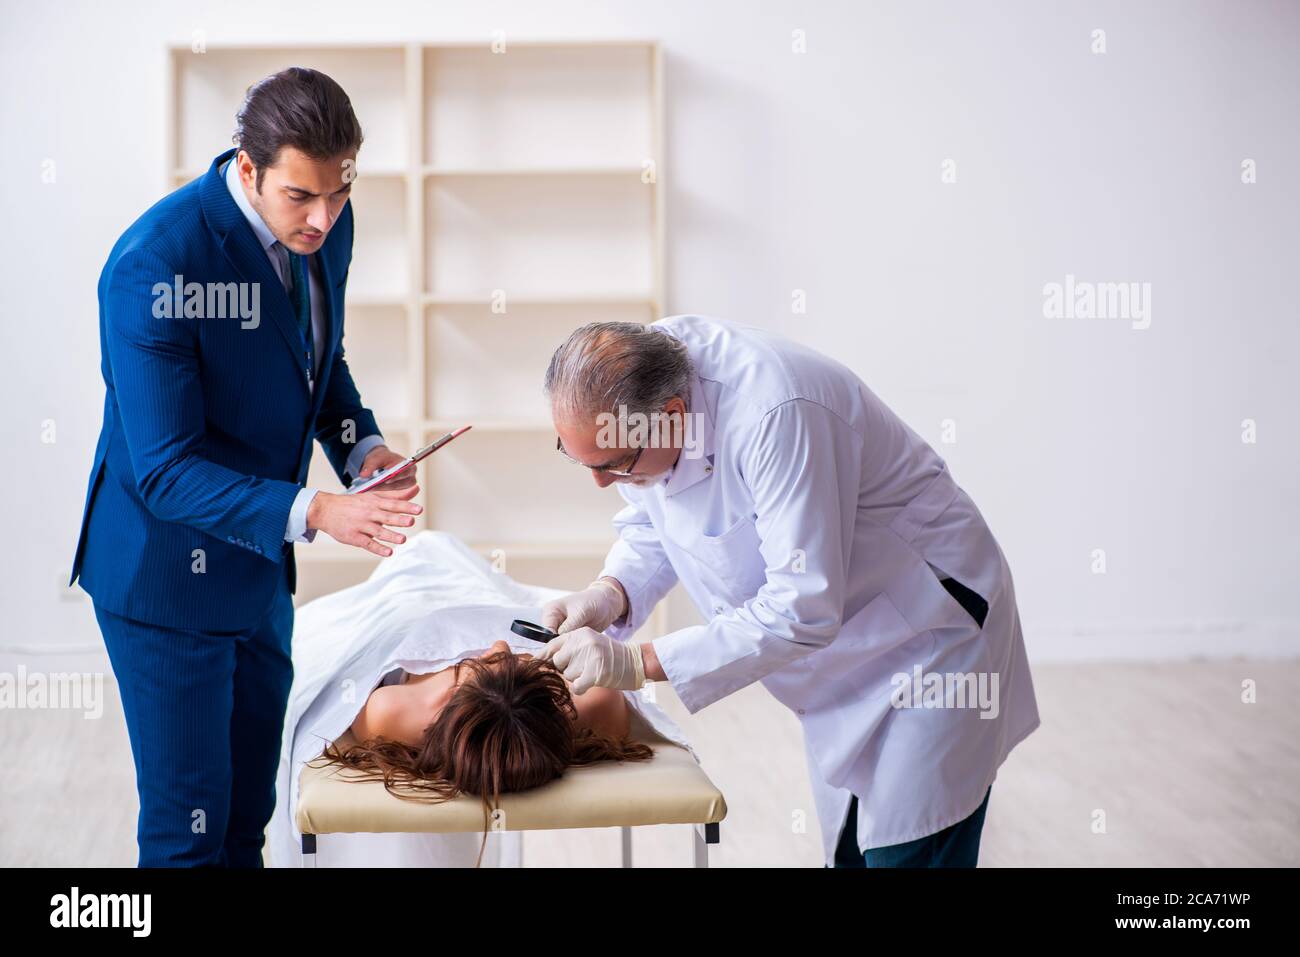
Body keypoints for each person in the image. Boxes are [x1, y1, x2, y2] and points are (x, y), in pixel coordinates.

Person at [69, 67, 421, 866]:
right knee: (188, 832)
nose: (325, 217)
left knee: (245, 820)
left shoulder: (326, 221)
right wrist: (321, 510)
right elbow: (163, 471)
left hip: (260, 569)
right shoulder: (154, 265)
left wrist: (362, 447)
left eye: (340, 190)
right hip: (164, 583)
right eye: (302, 196)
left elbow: (316, 361)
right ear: (249, 167)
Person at [536, 315, 1041, 867]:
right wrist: (610, 592)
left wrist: (639, 661)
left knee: (909, 848)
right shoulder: (634, 388)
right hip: (841, 652)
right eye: (577, 459)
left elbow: (801, 607)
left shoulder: (774, 413)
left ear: (672, 418)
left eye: (612, 466)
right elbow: (655, 517)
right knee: (855, 849)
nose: (601, 484)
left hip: (928, 633)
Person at [322, 640, 651, 867]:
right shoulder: (594, 704)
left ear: (453, 692)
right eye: (510, 661)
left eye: (490, 662)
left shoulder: (392, 713)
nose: (500, 644)